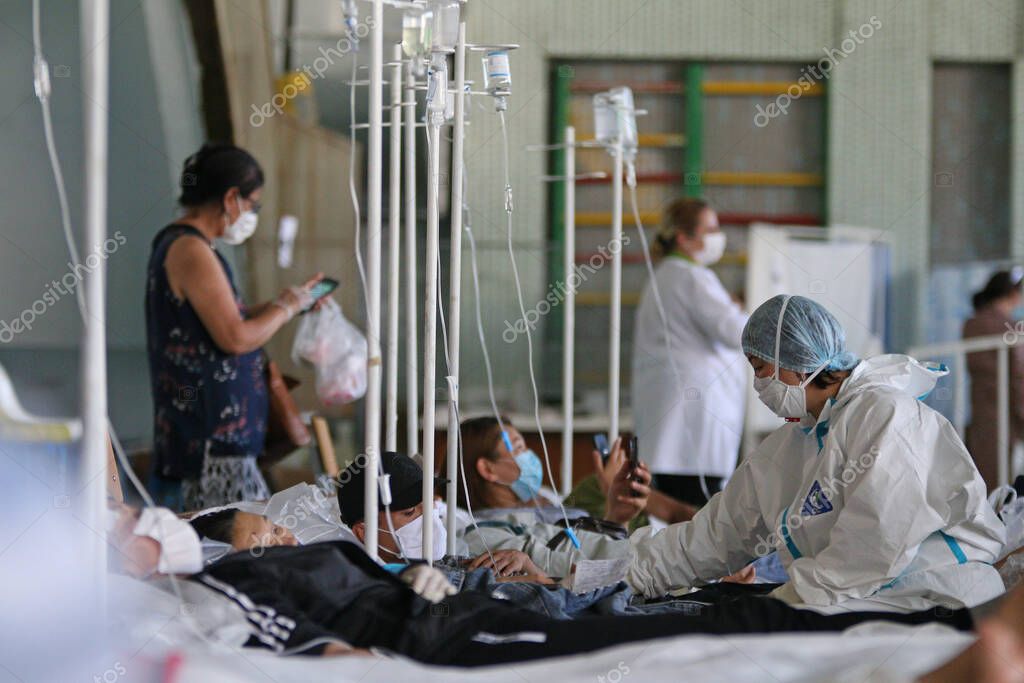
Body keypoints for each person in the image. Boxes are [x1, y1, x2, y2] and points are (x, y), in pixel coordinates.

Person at [627, 294, 1006, 612]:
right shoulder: (791, 444)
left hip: (933, 595)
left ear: (798, 361)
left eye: (761, 368)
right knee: (709, 613)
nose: (759, 384)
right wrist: (628, 573)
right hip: (846, 595)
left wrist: (788, 601)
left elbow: (875, 545)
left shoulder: (885, 415)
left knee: (730, 623)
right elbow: (714, 536)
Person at [146, 142, 325, 510]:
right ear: (231, 198)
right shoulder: (190, 249)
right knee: (237, 548)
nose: (252, 214)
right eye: (253, 204)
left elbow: (228, 318)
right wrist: (287, 307)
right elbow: (235, 337)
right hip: (211, 445)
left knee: (243, 541)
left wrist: (290, 304)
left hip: (216, 440)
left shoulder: (192, 246)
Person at [456, 416, 693, 577]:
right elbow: (577, 563)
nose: (530, 456)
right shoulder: (491, 531)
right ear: (488, 469)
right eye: (518, 449)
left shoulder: (545, 505)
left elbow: (591, 549)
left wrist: (616, 518)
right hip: (638, 565)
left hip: (639, 559)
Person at [631, 197, 748, 506]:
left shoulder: (667, 276)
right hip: (694, 426)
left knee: (673, 513)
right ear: (684, 238)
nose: (717, 236)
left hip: (676, 426)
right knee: (696, 517)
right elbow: (737, 332)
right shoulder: (693, 277)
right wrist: (745, 311)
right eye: (710, 228)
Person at [964, 268, 1024, 491]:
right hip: (1006, 408)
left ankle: (987, 520)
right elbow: (1018, 376)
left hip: (982, 409)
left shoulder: (971, 323)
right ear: (1014, 295)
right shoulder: (1012, 328)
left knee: (988, 476)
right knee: (1001, 480)